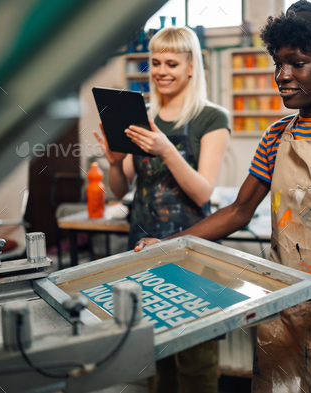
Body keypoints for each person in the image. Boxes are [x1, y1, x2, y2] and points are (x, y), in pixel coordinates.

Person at [133, 1, 311, 392]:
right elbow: (238, 211)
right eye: (279, 64)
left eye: (298, 63)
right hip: (281, 310)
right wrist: (166, 246)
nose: (283, 76)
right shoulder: (276, 135)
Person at [93, 27, 230, 393]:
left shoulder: (211, 118)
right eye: (155, 62)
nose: (161, 70)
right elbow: (121, 190)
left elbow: (203, 191)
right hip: (141, 248)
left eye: (171, 62)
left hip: (192, 251)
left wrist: (167, 149)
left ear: (190, 67)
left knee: (196, 356)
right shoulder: (139, 116)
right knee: (153, 353)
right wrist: (114, 162)